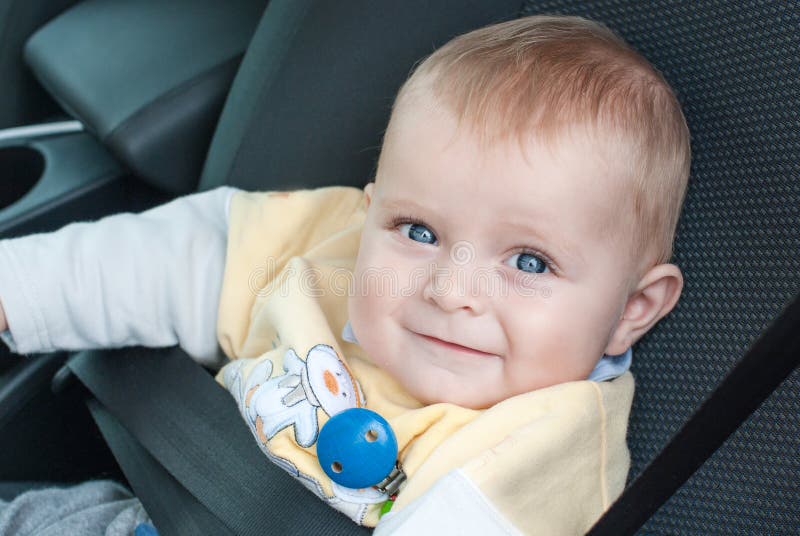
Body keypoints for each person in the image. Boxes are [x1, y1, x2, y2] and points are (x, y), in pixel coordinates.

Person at [0, 14, 689, 535]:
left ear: (632, 309)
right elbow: (182, 258)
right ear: (372, 209)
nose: (450, 290)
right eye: (418, 231)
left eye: (529, 262)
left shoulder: (551, 446)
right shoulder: (337, 248)